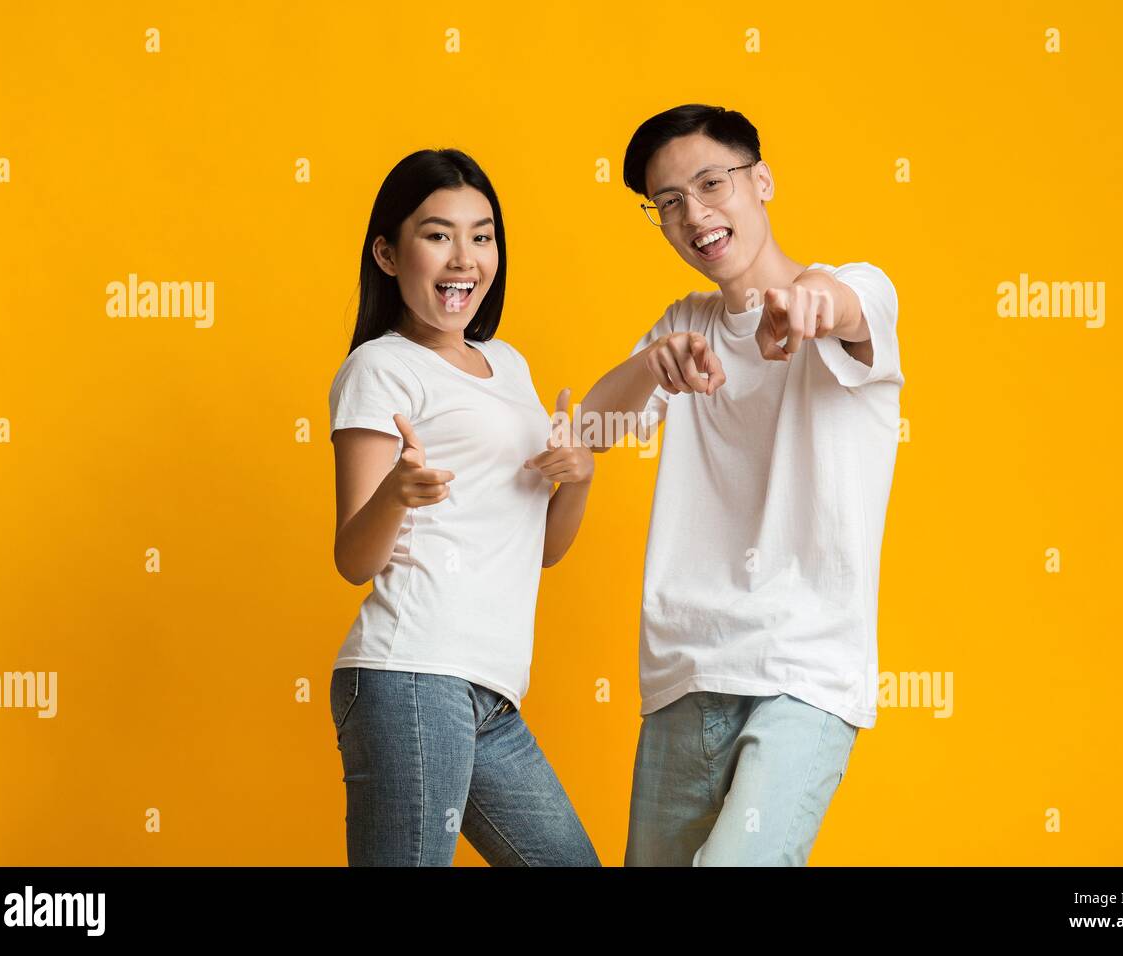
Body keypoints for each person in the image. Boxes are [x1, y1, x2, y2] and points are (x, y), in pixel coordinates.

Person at [581, 104, 904, 866]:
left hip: (804, 667)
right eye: (668, 204)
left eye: (711, 184)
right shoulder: (681, 325)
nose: (695, 215)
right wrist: (648, 366)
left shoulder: (857, 289)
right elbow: (588, 432)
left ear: (761, 179)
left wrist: (799, 306)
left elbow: (839, 302)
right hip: (685, 665)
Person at [327, 148, 599, 866]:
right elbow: (354, 558)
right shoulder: (379, 367)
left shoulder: (508, 365)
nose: (464, 257)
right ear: (388, 253)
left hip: (489, 692)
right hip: (410, 672)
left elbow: (541, 546)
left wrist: (579, 477)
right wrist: (396, 492)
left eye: (482, 236)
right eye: (437, 234)